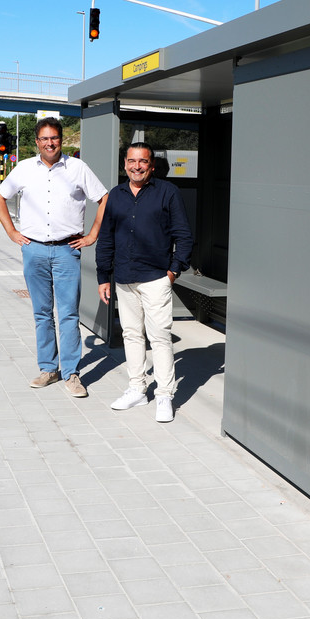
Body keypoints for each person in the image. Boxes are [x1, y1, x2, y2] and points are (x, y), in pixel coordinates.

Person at [0, 117, 109, 398]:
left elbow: (104, 198)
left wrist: (93, 234)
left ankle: (71, 374)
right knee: (42, 314)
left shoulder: (77, 168)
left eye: (54, 138)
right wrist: (11, 232)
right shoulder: (23, 169)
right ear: (37, 142)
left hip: (67, 250)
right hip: (33, 250)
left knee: (68, 314)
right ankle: (49, 369)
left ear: (61, 139)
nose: (49, 143)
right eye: (44, 139)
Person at [96, 142, 193, 423]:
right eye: (131, 160)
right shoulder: (115, 195)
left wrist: (173, 272)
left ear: (151, 165)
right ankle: (137, 389)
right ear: (124, 163)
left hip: (156, 278)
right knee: (131, 335)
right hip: (124, 278)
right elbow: (106, 239)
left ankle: (164, 395)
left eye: (143, 161)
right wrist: (104, 276)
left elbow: (184, 236)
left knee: (160, 337)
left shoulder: (168, 192)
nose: (136, 166)